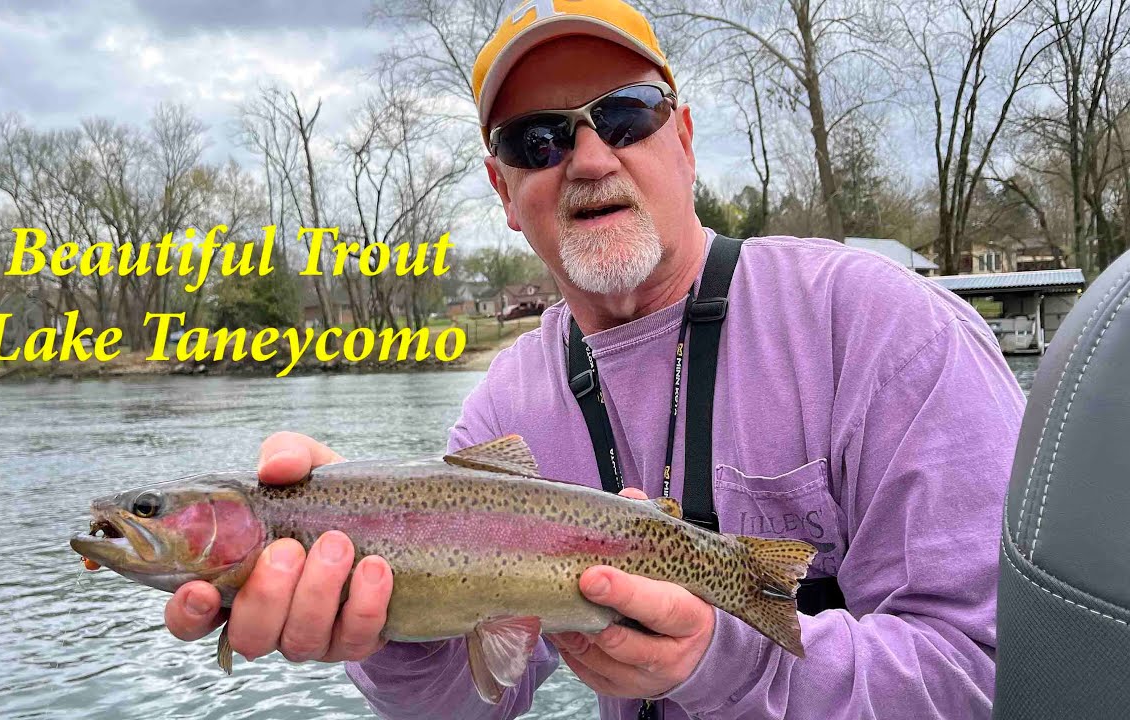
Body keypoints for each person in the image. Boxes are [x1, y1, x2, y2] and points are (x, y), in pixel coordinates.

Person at [162, 1, 1024, 717]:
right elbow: (476, 698)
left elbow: (1012, 676)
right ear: (504, 192)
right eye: (536, 140)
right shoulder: (507, 406)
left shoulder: (881, 327)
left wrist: (730, 659)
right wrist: (386, 631)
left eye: (624, 114)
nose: (588, 157)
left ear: (683, 138)